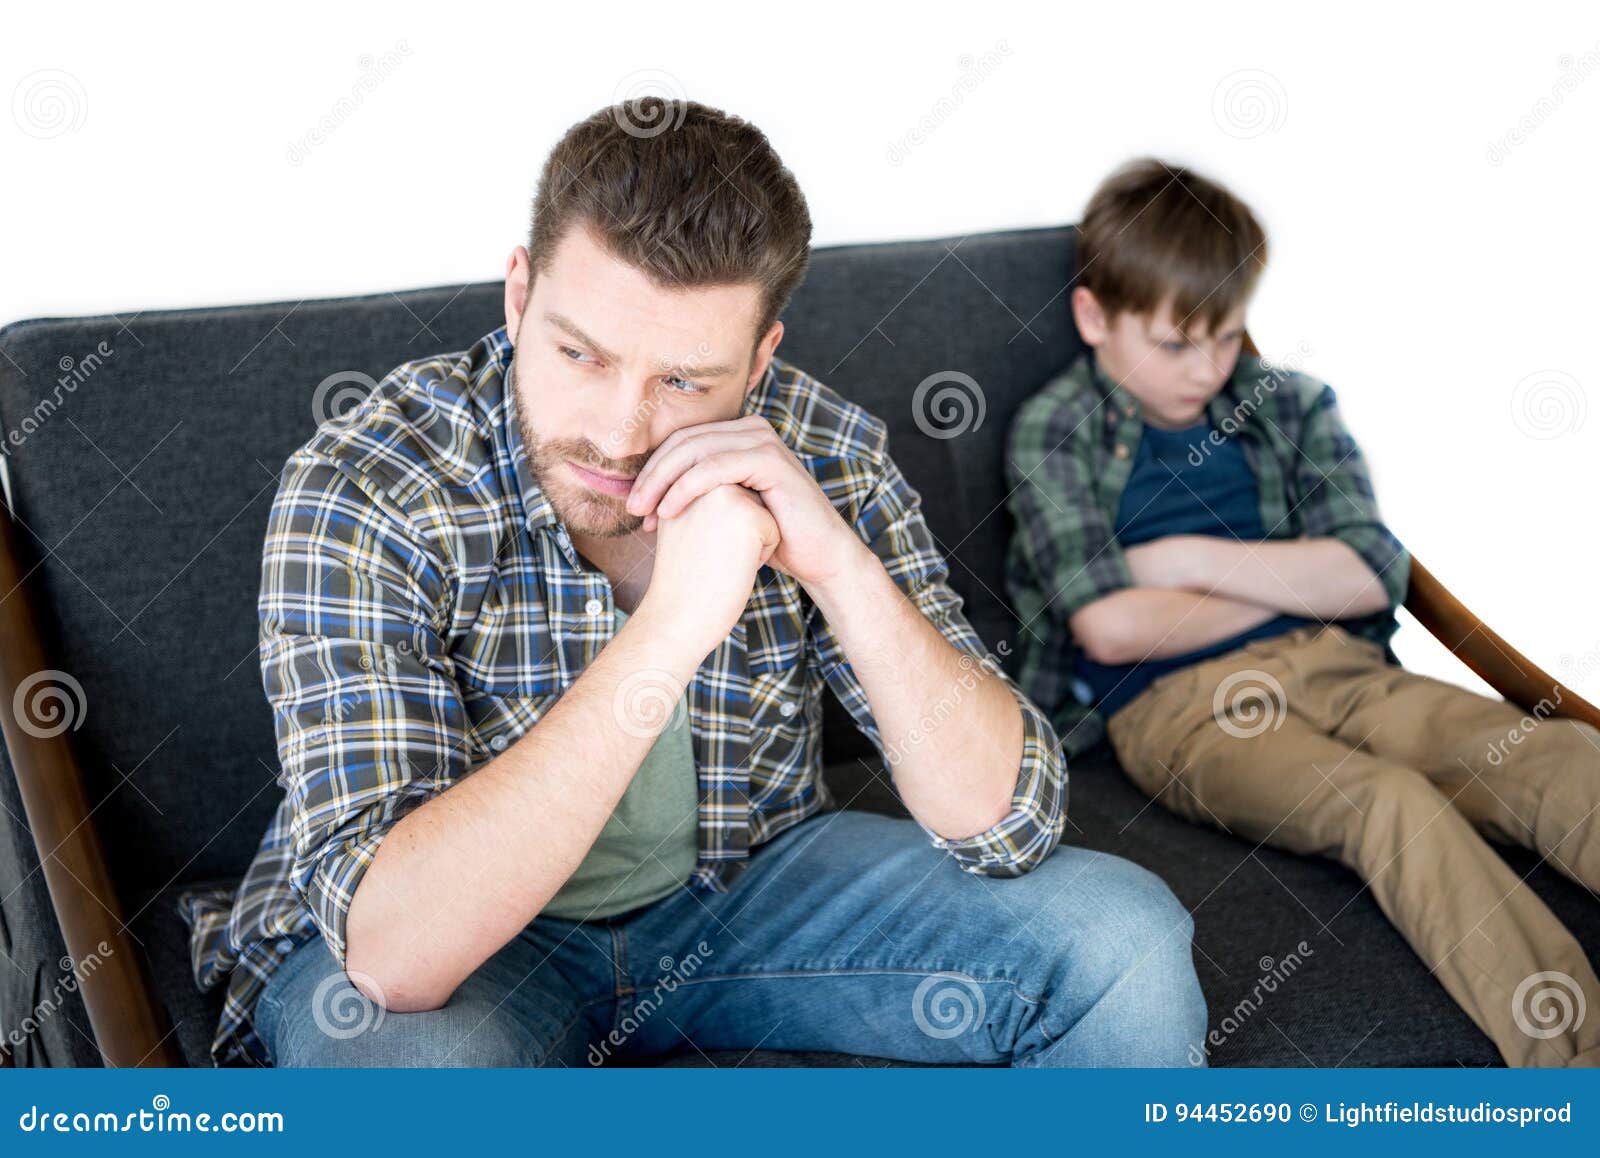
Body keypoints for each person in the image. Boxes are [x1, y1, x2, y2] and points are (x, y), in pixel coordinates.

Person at [177, 104, 1206, 1069]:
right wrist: (673, 623)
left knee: (1119, 943)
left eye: (683, 380)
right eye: (580, 354)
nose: (620, 434)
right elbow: (400, 957)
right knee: (411, 1077)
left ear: (759, 361)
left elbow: (1007, 824)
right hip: (468, 938)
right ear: (519, 296)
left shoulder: (820, 450)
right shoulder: (370, 481)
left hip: (743, 887)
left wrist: (836, 565)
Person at [1004, 156, 1600, 1067]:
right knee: (1387, 802)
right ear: (1094, 317)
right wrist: (1287, 578)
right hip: (1182, 709)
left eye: (1226, 336)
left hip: (1341, 667)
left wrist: (1186, 563)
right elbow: (1111, 628)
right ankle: (1577, 1066)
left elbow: (1370, 575)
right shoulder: (1054, 429)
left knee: (1560, 755)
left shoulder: (1291, 404)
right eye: (1175, 344)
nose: (1209, 369)